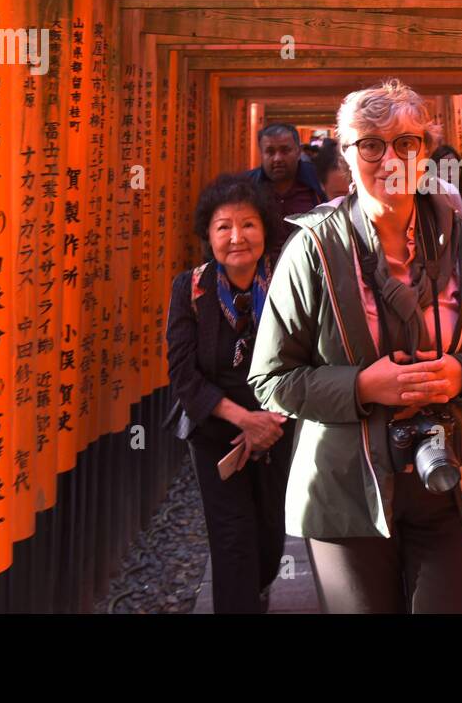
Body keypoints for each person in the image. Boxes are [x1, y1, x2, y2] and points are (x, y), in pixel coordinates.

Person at [248, 77, 462, 613]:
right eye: (370, 143)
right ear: (346, 154)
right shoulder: (312, 250)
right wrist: (362, 386)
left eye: (406, 142)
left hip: (450, 476)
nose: (389, 157)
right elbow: (270, 380)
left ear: (427, 151)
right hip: (346, 487)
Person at [164, 174, 294, 613]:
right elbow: (183, 373)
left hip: (277, 429)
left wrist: (269, 421)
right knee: (231, 537)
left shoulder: (287, 281)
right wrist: (244, 420)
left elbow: (309, 354)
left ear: (265, 230)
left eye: (248, 225)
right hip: (216, 432)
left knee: (269, 537)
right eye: (224, 227)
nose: (236, 237)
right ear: (209, 235)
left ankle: (257, 588)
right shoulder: (192, 289)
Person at [245, 123, 329, 253]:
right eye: (270, 152)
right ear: (261, 154)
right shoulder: (246, 187)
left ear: (298, 151)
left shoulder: (319, 182)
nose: (277, 158)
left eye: (285, 151)